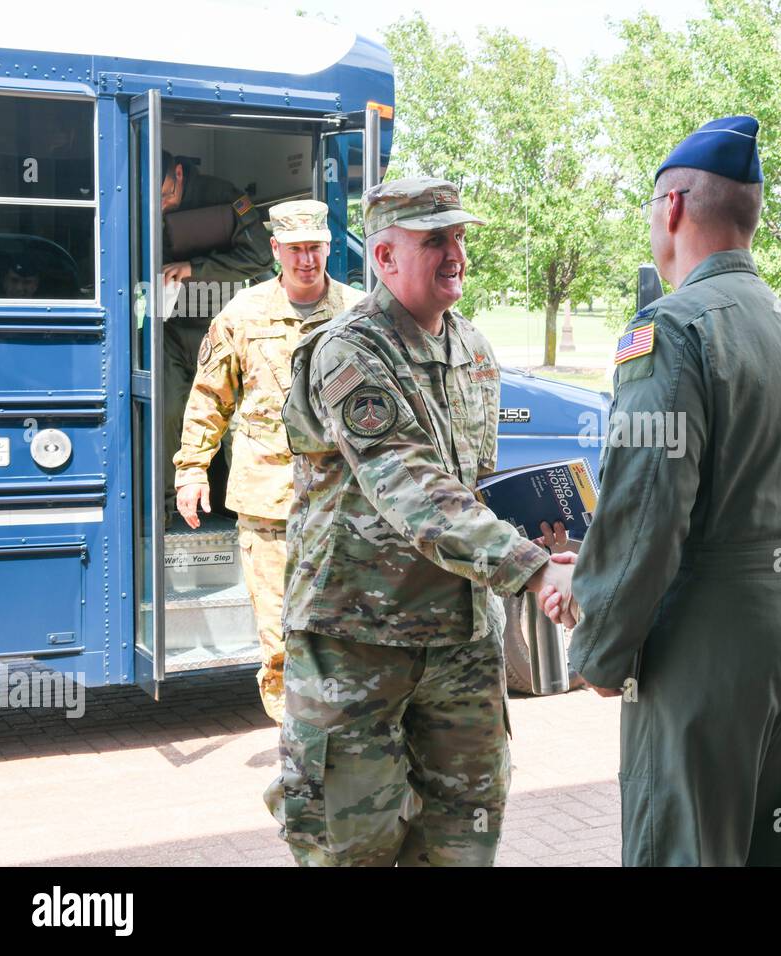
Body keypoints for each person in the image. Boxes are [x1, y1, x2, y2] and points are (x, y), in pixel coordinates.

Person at [541, 116, 781, 866]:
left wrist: (601, 647)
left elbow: (650, 506)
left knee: (681, 848)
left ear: (673, 207)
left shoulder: (671, 328)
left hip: (717, 632)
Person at [263, 177, 574, 867]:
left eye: (460, 237)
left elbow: (470, 489)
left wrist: (549, 544)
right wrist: (528, 569)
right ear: (384, 255)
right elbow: (411, 488)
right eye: (435, 240)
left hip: (459, 642)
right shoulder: (348, 351)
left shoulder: (475, 351)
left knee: (464, 839)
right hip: (356, 642)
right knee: (351, 843)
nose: (456, 254)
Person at [172, 199, 363, 724]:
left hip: (344, 501)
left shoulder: (361, 314)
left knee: (345, 626)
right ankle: (295, 739)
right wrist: (191, 470)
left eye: (316, 248)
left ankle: (345, 737)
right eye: (296, 249)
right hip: (268, 500)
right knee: (280, 632)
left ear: (329, 246)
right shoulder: (241, 315)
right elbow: (210, 397)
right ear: (276, 250)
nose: (308, 260)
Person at [160, 149, 275, 518]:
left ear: (179, 172)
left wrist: (194, 267)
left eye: (166, 195)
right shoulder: (136, 196)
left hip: (221, 327)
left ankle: (233, 505)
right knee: (169, 409)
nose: (162, 205)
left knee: (229, 421)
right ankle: (167, 504)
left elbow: (259, 258)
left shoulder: (226, 198)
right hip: (170, 326)